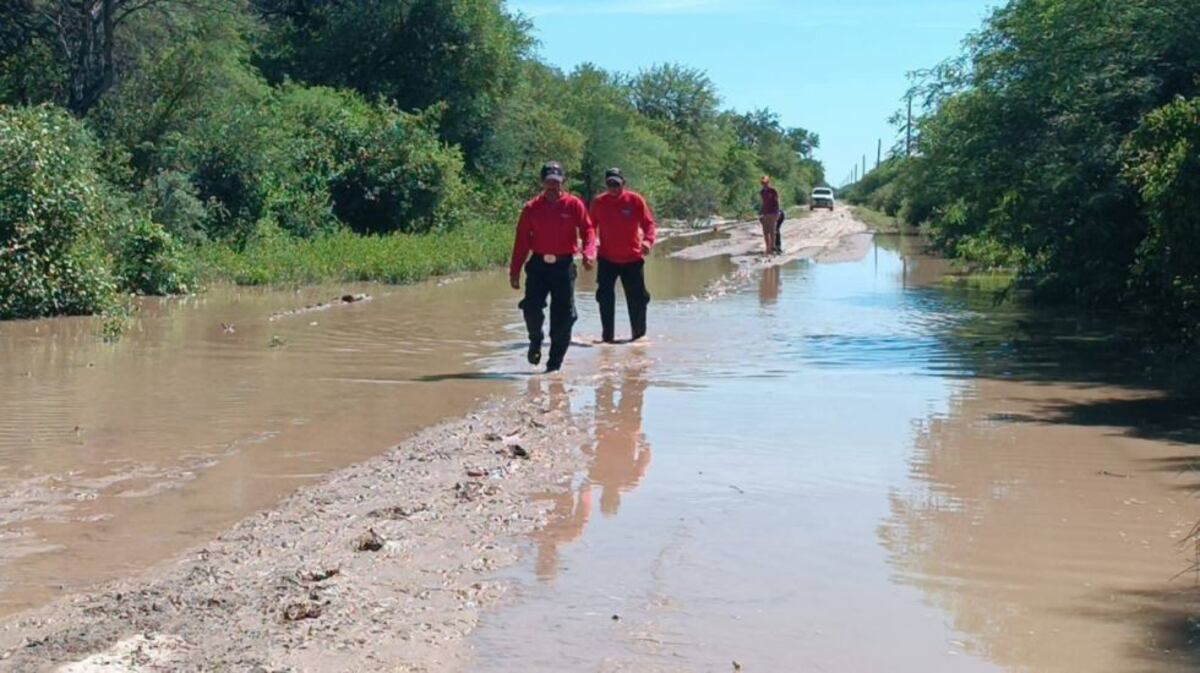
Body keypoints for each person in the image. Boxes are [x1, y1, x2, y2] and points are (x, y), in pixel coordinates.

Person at [510, 161, 596, 372]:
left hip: (564, 266)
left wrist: (589, 253)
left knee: (564, 316)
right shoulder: (531, 208)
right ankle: (536, 339)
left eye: (556, 182)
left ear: (562, 183)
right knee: (531, 307)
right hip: (538, 265)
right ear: (542, 182)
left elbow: (588, 231)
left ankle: (554, 364)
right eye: (548, 182)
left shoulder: (573, 204)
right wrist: (515, 271)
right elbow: (521, 241)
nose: (552, 186)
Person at [590, 168, 657, 343]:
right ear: (606, 184)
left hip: (632, 259)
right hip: (607, 259)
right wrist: (591, 244)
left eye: (617, 184)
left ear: (623, 183)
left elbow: (649, 224)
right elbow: (590, 226)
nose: (613, 188)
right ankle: (607, 339)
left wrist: (648, 241)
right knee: (604, 298)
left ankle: (638, 338)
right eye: (610, 184)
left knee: (638, 299)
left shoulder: (635, 200)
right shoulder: (599, 202)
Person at [759, 176, 780, 255]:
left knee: (772, 231)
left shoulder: (773, 191)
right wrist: (760, 213)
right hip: (765, 213)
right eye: (762, 183)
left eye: (765, 182)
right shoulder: (761, 192)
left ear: (768, 182)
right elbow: (762, 203)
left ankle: (772, 247)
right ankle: (767, 247)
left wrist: (777, 212)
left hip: (772, 213)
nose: (764, 184)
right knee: (765, 232)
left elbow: (777, 201)